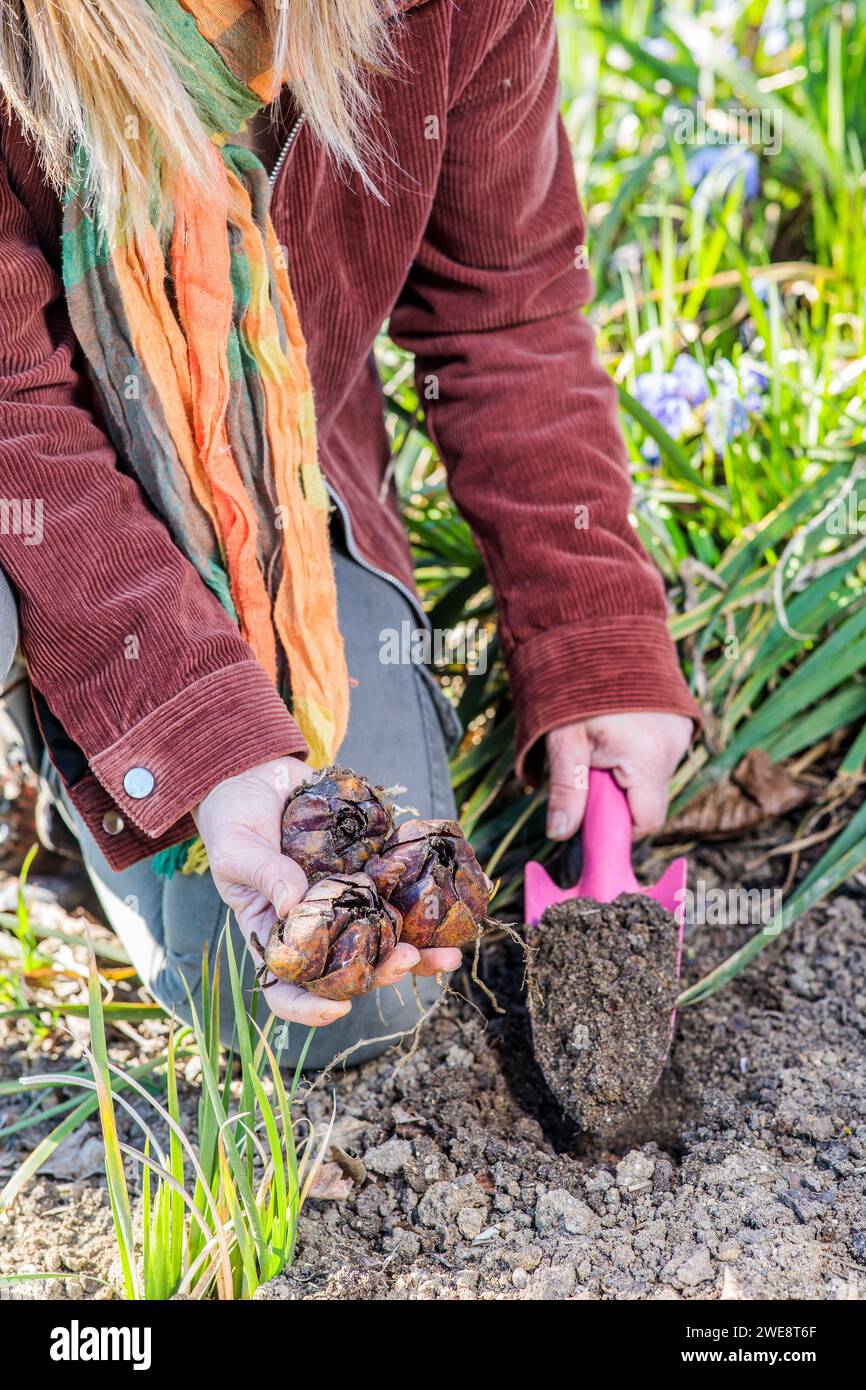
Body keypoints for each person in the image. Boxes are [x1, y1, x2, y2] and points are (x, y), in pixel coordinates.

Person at [0, 0, 697, 1067]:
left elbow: (502, 307)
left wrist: (593, 628)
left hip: (269, 506)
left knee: (338, 1000)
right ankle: (58, 705)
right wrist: (195, 734)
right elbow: (14, 411)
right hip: (33, 490)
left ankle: (102, 753)